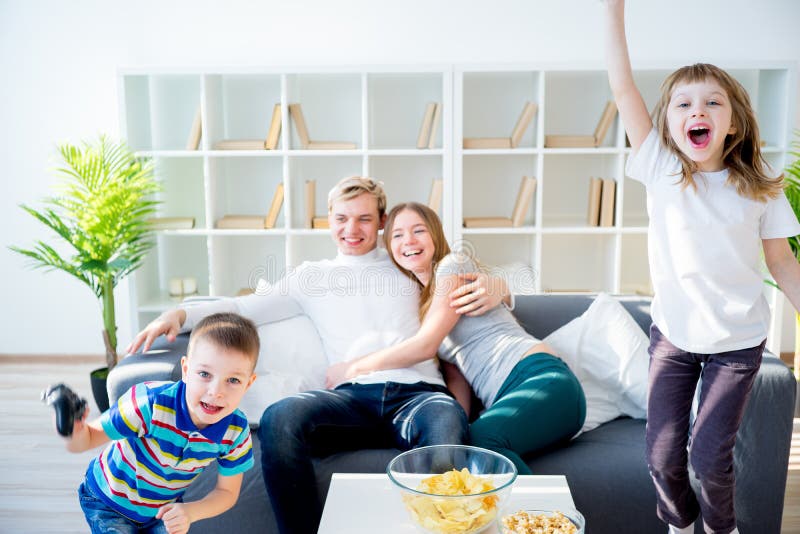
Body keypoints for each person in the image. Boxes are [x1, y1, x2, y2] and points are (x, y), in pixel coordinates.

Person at [126, 176, 508, 534]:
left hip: (420, 394)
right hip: (350, 398)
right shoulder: (312, 277)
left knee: (447, 425)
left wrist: (500, 286)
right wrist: (179, 314)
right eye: (341, 218)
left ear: (382, 221)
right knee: (281, 416)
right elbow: (244, 309)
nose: (352, 229)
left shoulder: (407, 261)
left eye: (364, 219)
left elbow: (466, 283)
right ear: (329, 220)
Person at [602, 2, 800, 533]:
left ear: (732, 124)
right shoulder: (660, 168)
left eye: (713, 102)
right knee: (662, 457)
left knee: (710, 458)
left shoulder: (761, 188)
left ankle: (721, 528)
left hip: (736, 343)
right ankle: (679, 525)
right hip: (673, 339)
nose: (699, 110)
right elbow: (624, 88)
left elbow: (782, 262)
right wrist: (612, 12)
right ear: (668, 122)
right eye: (684, 103)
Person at [326, 202, 587, 475]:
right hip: (516, 397)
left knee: (484, 443)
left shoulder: (453, 266)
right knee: (467, 448)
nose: (409, 241)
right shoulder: (426, 306)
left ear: (435, 236)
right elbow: (457, 378)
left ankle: (542, 516)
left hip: (541, 379)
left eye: (418, 231)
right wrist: (455, 430)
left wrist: (351, 368)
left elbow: (424, 346)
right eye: (398, 235)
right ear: (390, 247)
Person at [62, 313, 259, 534]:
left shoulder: (236, 431)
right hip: (108, 502)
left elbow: (227, 493)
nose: (216, 392)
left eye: (233, 380)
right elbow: (85, 440)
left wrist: (191, 512)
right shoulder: (148, 403)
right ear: (185, 370)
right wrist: (72, 429)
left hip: (161, 511)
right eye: (204, 374)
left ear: (248, 383)